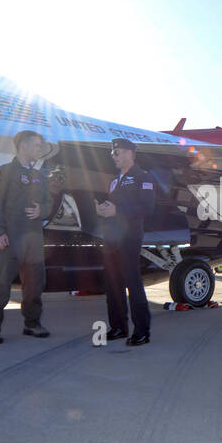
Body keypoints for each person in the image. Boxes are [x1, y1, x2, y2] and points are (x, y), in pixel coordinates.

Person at [0, 129, 62, 343]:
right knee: (1, 283)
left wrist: (41, 211)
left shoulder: (39, 177)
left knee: (35, 283)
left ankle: (32, 323)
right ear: (23, 146)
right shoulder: (4, 172)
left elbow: (48, 203)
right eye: (36, 146)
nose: (39, 150)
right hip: (9, 238)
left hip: (34, 239)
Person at [97, 137, 157, 346]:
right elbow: (113, 206)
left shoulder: (143, 178)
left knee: (132, 282)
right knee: (112, 283)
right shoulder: (115, 180)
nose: (113, 156)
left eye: (118, 152)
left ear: (130, 154)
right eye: (112, 153)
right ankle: (118, 327)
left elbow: (147, 208)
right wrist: (104, 209)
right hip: (111, 236)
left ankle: (141, 331)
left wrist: (117, 211)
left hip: (130, 237)